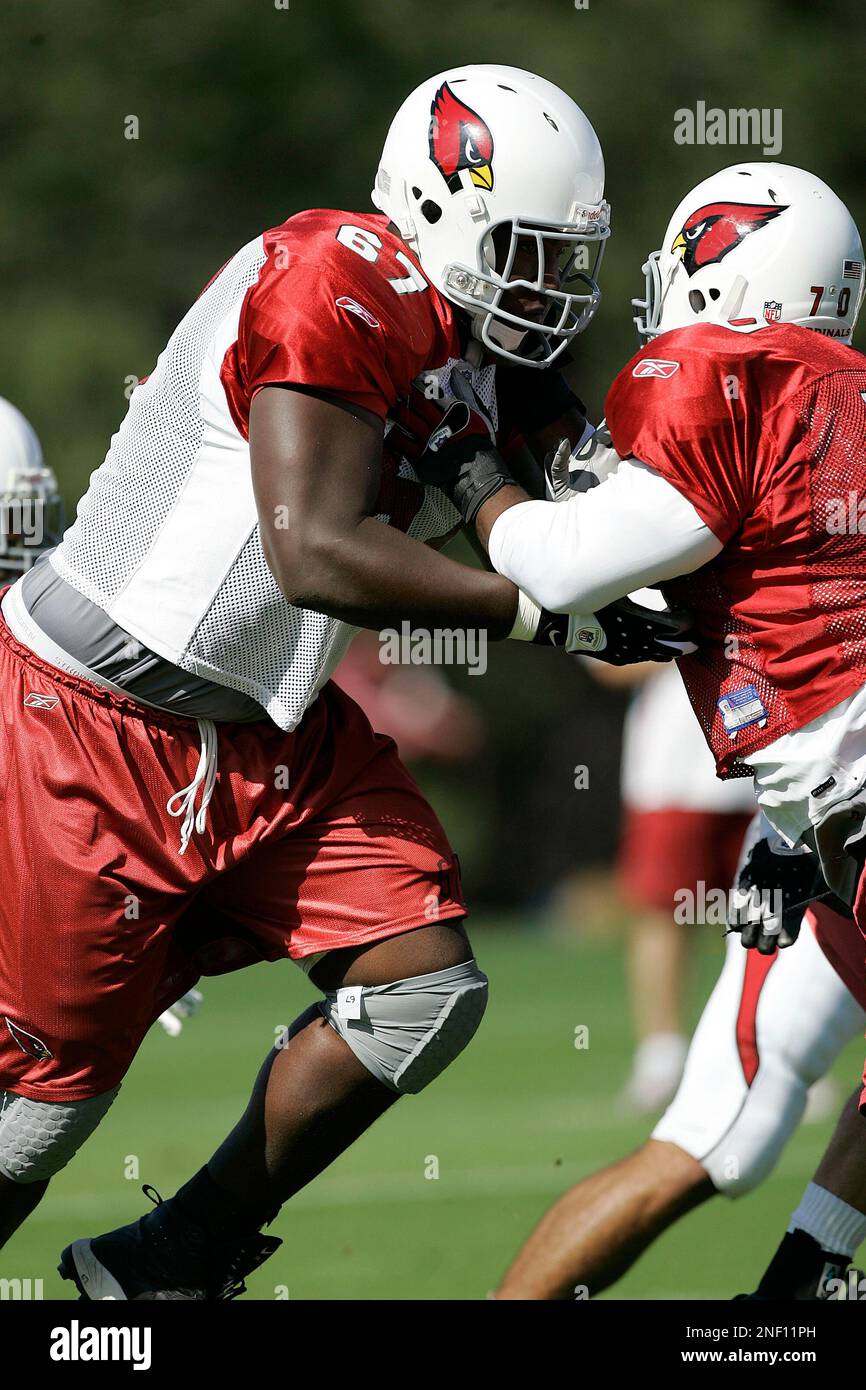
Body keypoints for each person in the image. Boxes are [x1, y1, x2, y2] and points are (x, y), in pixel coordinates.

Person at [0, 65, 680, 1298]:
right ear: (436, 207)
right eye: (526, 251)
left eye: (565, 258)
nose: (549, 289)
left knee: (420, 986)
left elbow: (589, 502)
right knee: (36, 1120)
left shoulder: (485, 347)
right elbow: (310, 549)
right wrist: (544, 618)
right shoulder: (337, 276)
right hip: (94, 718)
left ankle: (172, 1262)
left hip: (265, 728)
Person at [401, 160, 866, 1298]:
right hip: (827, 824)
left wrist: (464, 465)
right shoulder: (831, 389)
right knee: (719, 1134)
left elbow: (559, 569)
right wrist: (791, 823)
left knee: (713, 1140)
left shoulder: (722, 368)